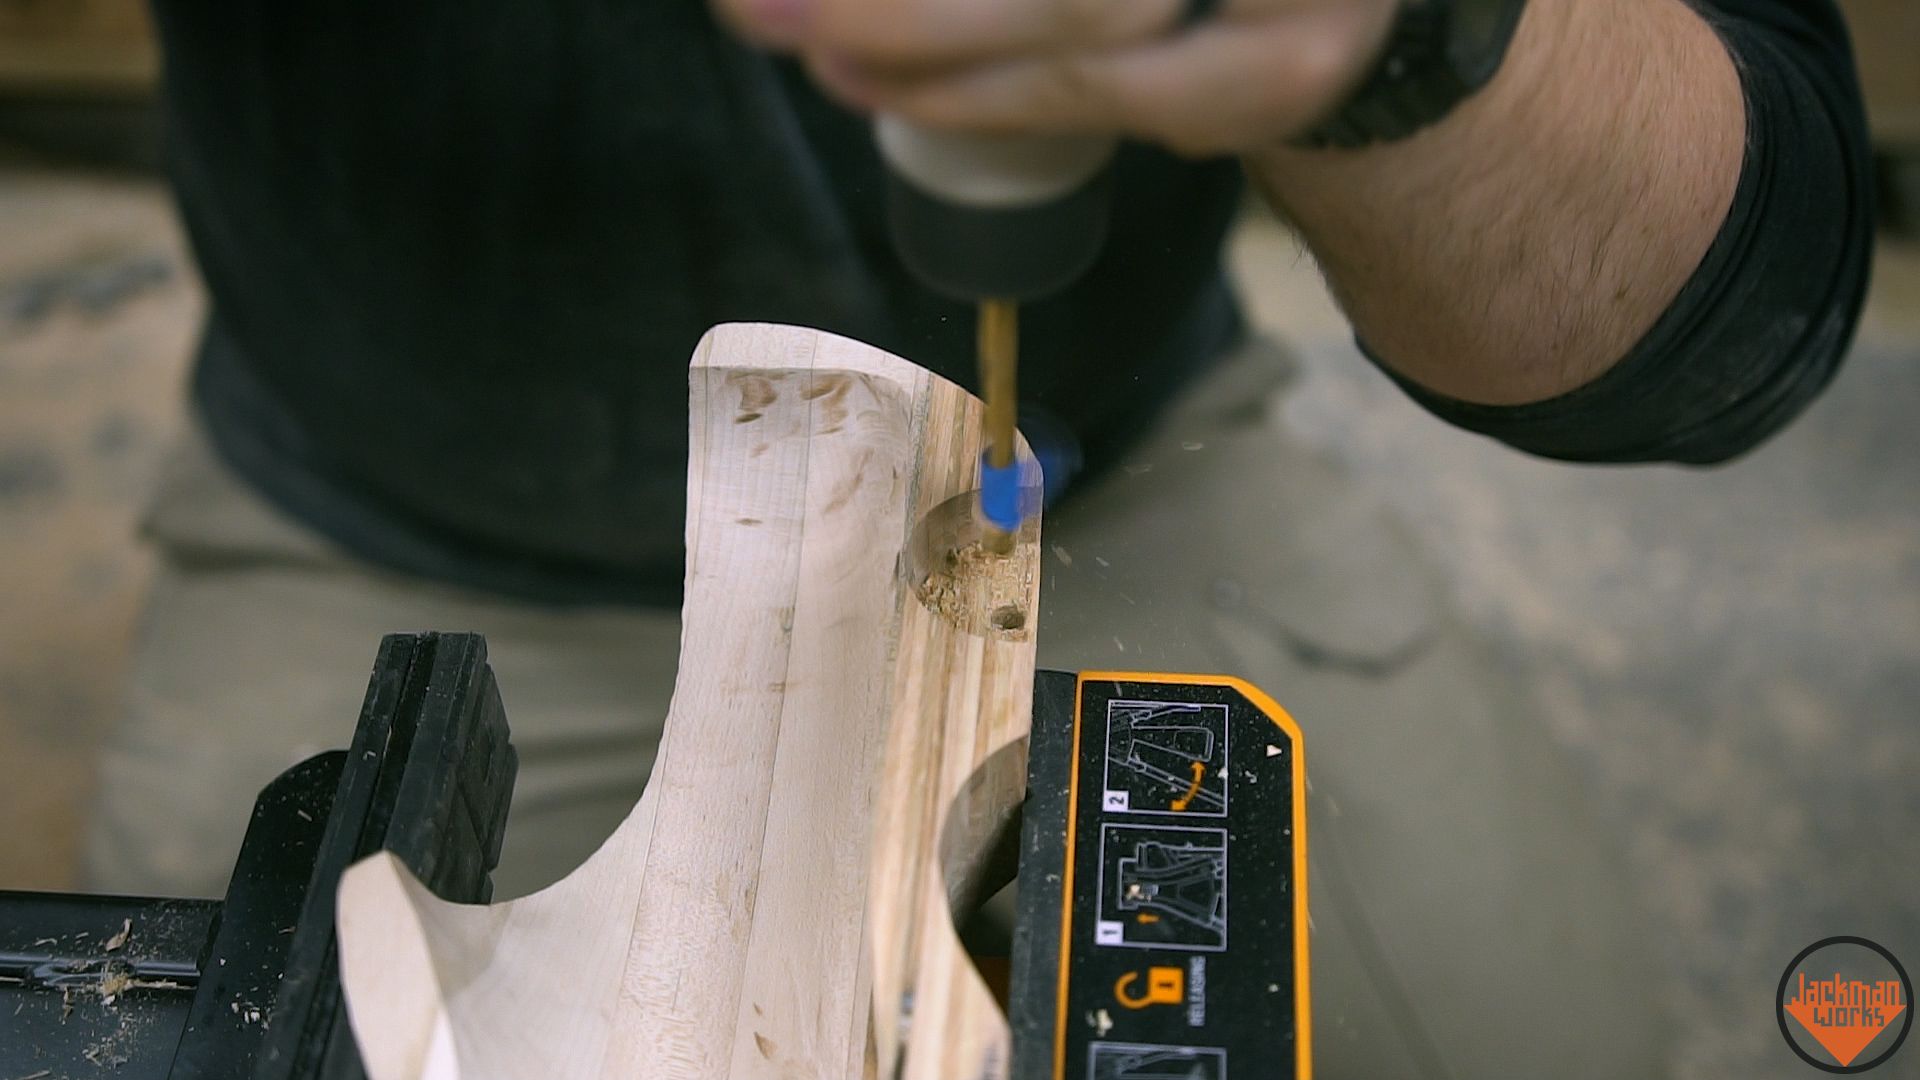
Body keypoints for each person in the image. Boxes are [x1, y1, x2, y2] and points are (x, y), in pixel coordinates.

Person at [90, 0, 1870, 1075]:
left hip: (1116, 481)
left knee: (1537, 1052)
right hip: (394, 523)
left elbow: (1727, 316)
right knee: (179, 1020)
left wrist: (1395, 40)